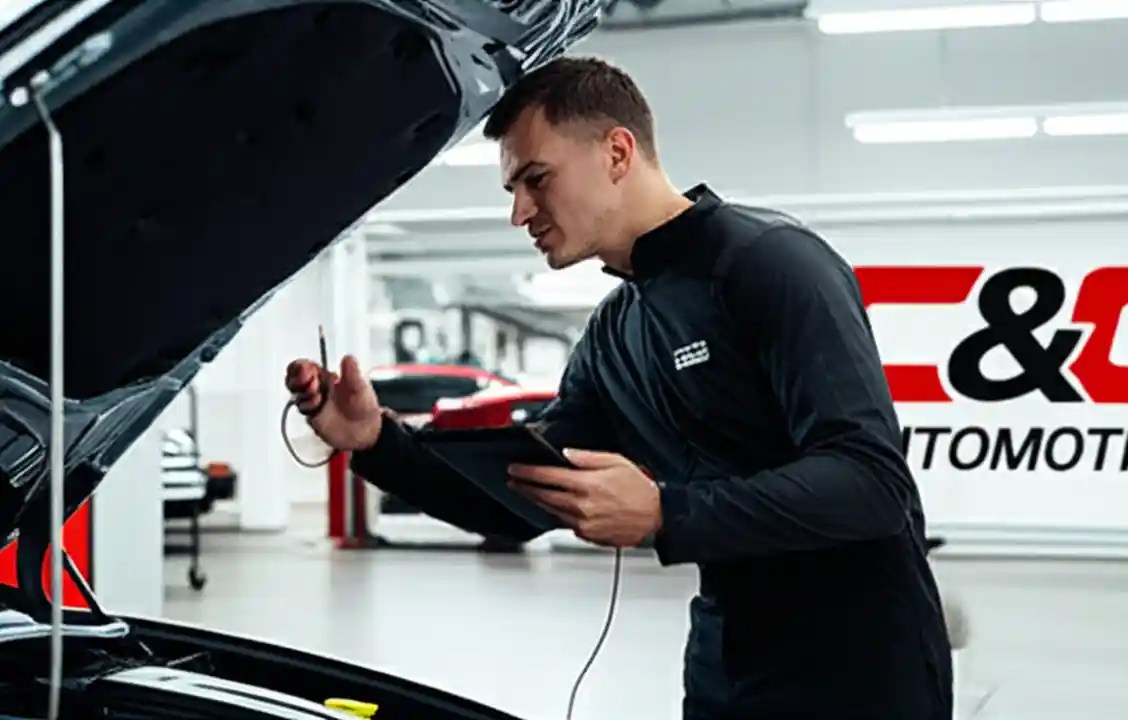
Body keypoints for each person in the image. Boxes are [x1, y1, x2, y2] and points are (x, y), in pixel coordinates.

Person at [285, 56, 953, 719]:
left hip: (861, 670)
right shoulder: (614, 332)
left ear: (617, 151)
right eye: (513, 190)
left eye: (536, 180)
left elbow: (871, 484)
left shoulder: (771, 265)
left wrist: (668, 511)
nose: (520, 212)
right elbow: (521, 495)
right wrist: (376, 442)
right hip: (728, 663)